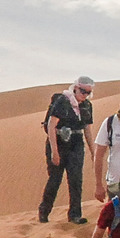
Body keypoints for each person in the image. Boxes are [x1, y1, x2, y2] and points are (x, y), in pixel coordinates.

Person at [38, 77, 96, 224]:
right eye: (83, 91)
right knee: (55, 179)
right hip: (58, 142)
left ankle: (75, 215)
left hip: (76, 143)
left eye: (88, 92)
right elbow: (51, 125)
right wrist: (54, 151)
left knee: (76, 179)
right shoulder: (62, 102)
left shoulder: (87, 106)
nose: (84, 95)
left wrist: (93, 151)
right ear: (76, 88)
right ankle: (44, 212)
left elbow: (87, 130)